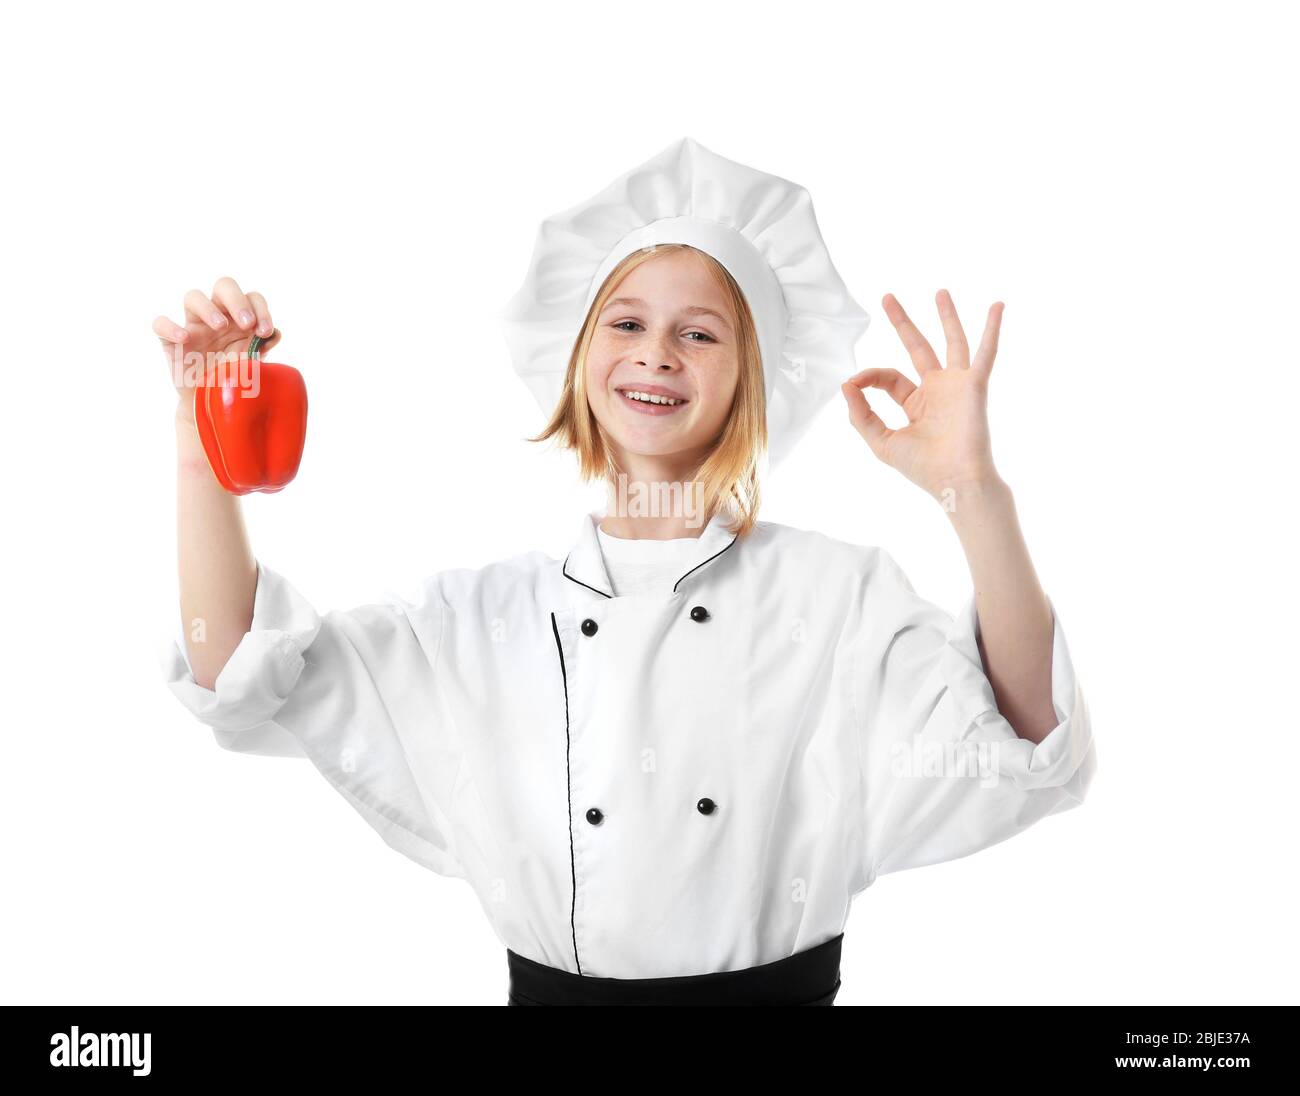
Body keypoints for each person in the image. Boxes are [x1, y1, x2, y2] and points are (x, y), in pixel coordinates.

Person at [157, 137, 1096, 1006]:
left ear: (752, 379)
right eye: (627, 321)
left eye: (700, 333)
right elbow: (232, 667)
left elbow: (1028, 736)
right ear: (577, 358)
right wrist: (203, 444)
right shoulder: (483, 617)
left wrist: (972, 490)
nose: (655, 351)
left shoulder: (839, 598)